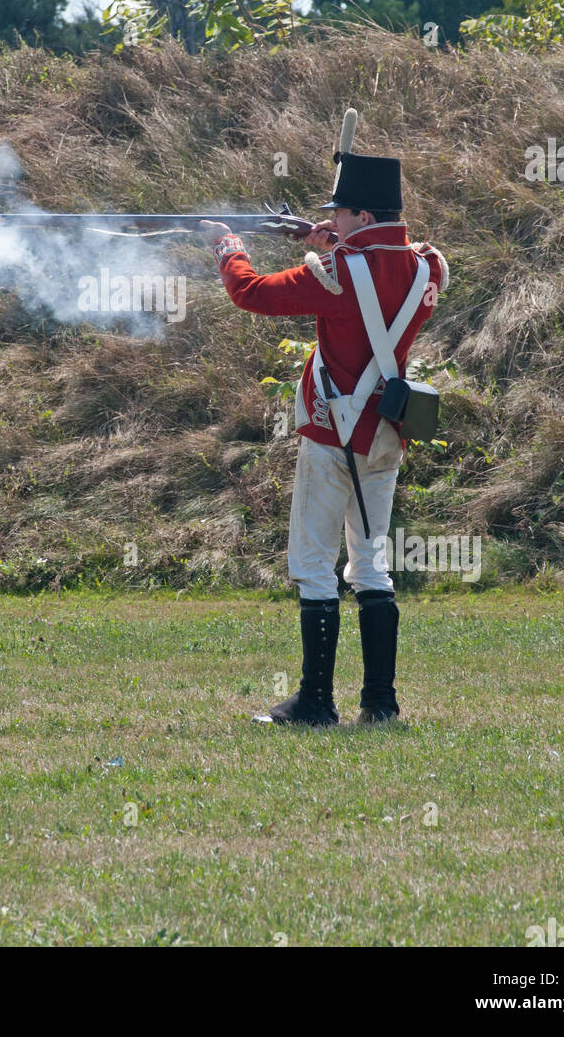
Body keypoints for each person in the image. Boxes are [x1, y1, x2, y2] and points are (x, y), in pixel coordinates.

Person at [201, 133, 447, 727]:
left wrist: (229, 247)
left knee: (313, 563)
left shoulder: (336, 272)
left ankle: (314, 702)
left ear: (361, 213)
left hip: (330, 432)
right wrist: (331, 240)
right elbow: (387, 264)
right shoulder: (428, 267)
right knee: (370, 565)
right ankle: (380, 704)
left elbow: (249, 293)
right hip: (386, 433)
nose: (329, 218)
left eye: (339, 211)